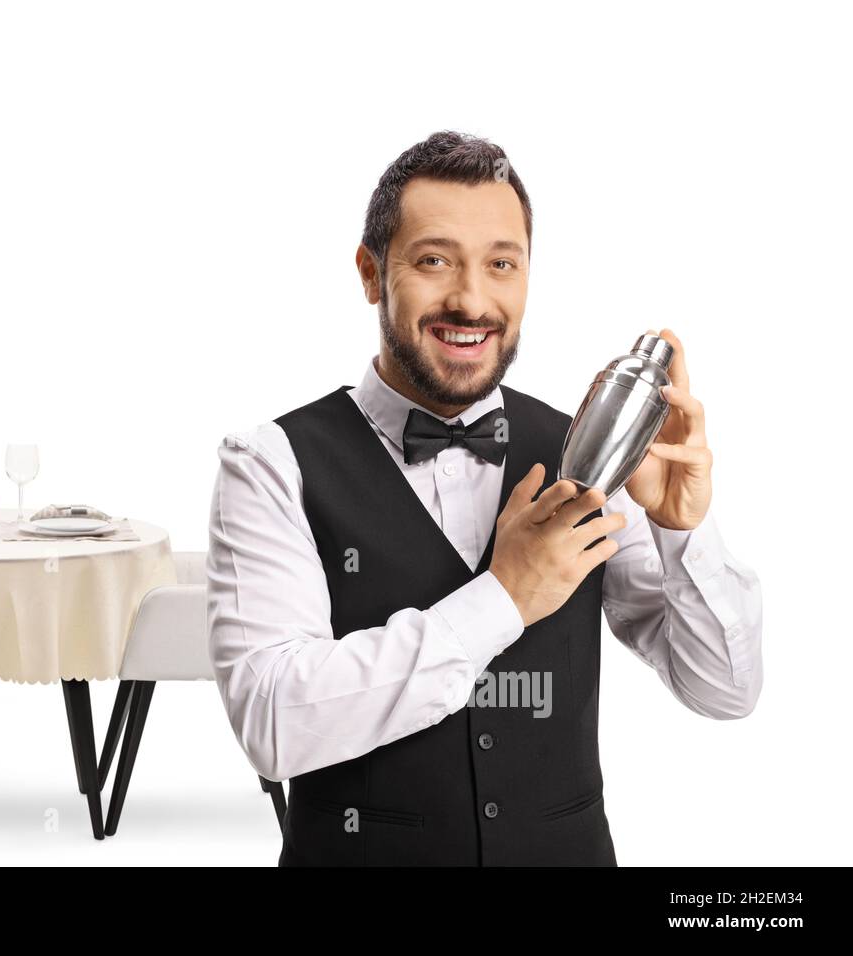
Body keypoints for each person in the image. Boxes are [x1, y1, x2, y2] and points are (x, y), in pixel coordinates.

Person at [205, 130, 763, 866]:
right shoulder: (271, 464)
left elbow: (724, 691)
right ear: (372, 274)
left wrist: (680, 529)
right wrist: (503, 597)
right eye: (434, 261)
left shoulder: (586, 455)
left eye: (501, 264)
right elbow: (273, 723)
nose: (471, 300)